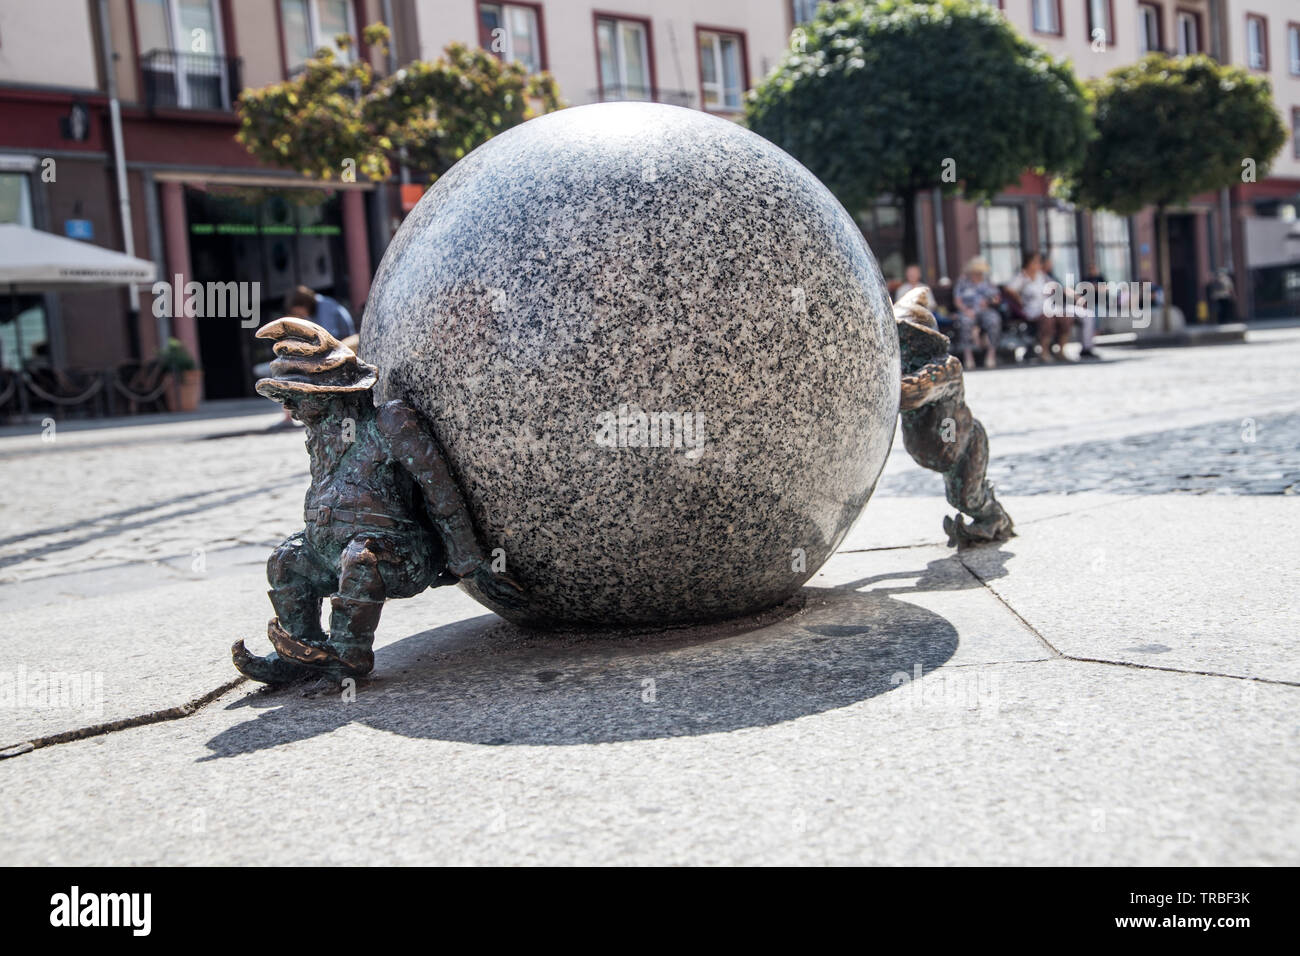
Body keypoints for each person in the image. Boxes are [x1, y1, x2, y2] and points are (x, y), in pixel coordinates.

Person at [232, 317, 527, 683]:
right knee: (286, 559)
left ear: (329, 393)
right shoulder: (321, 437)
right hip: (331, 553)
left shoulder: (388, 422)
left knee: (359, 557)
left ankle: (349, 653)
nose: (290, 410)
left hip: (401, 555)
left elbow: (441, 491)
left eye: (297, 398)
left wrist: (470, 562)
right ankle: (303, 650)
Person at [1005, 251, 1068, 362]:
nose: (1039, 264)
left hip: (1047, 306)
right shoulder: (1022, 276)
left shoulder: (1042, 276)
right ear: (1029, 263)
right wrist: (1018, 298)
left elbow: (1056, 286)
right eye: (1036, 262)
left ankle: (1061, 350)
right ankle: (1044, 351)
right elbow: (1009, 289)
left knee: (1066, 318)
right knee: (1048, 320)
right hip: (1031, 309)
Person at [1043, 256, 1100, 361]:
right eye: (1048, 263)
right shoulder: (1039, 277)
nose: (1051, 265)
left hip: (1062, 306)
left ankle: (1086, 348)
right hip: (1050, 308)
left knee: (1088, 314)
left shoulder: (1050, 276)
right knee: (1066, 318)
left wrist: (1078, 298)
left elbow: (1064, 289)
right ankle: (1056, 349)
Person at [952, 257, 1002, 369]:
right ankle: (968, 356)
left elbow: (997, 298)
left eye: (980, 272)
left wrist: (988, 301)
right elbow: (957, 300)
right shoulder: (963, 282)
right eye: (976, 272)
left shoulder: (988, 282)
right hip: (968, 310)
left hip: (984, 310)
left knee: (994, 320)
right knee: (965, 322)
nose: (978, 274)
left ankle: (991, 354)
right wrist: (965, 310)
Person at [285, 285, 356, 340]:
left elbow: (329, 336)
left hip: (345, 342)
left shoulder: (324, 305)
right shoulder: (311, 313)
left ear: (305, 304)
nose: (300, 316)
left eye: (298, 313)